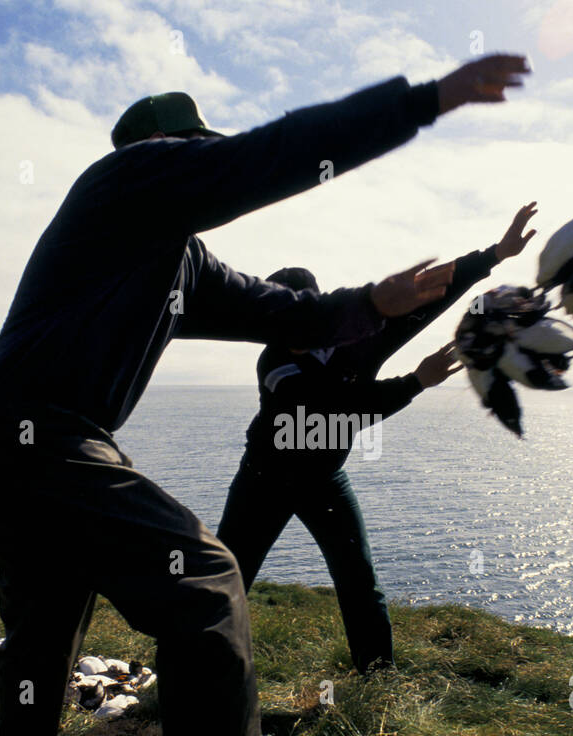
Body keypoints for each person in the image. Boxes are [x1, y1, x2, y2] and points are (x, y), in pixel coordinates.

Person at [0, 53, 532, 736]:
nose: (202, 168)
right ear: (166, 152)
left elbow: (286, 310)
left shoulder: (177, 259)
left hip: (2, 443)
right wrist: (420, 102)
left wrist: (373, 301)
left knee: (47, 629)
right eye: (196, 153)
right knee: (208, 579)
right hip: (37, 437)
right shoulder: (126, 184)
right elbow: (269, 156)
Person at [217, 204, 538, 673]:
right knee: (229, 578)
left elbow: (422, 298)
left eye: (299, 314)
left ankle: (377, 681)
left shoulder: (354, 338)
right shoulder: (275, 366)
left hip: (324, 478)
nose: (288, 328)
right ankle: (196, 675)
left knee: (358, 581)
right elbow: (334, 413)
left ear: (318, 309)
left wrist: (494, 255)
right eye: (278, 319)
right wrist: (416, 382)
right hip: (264, 480)